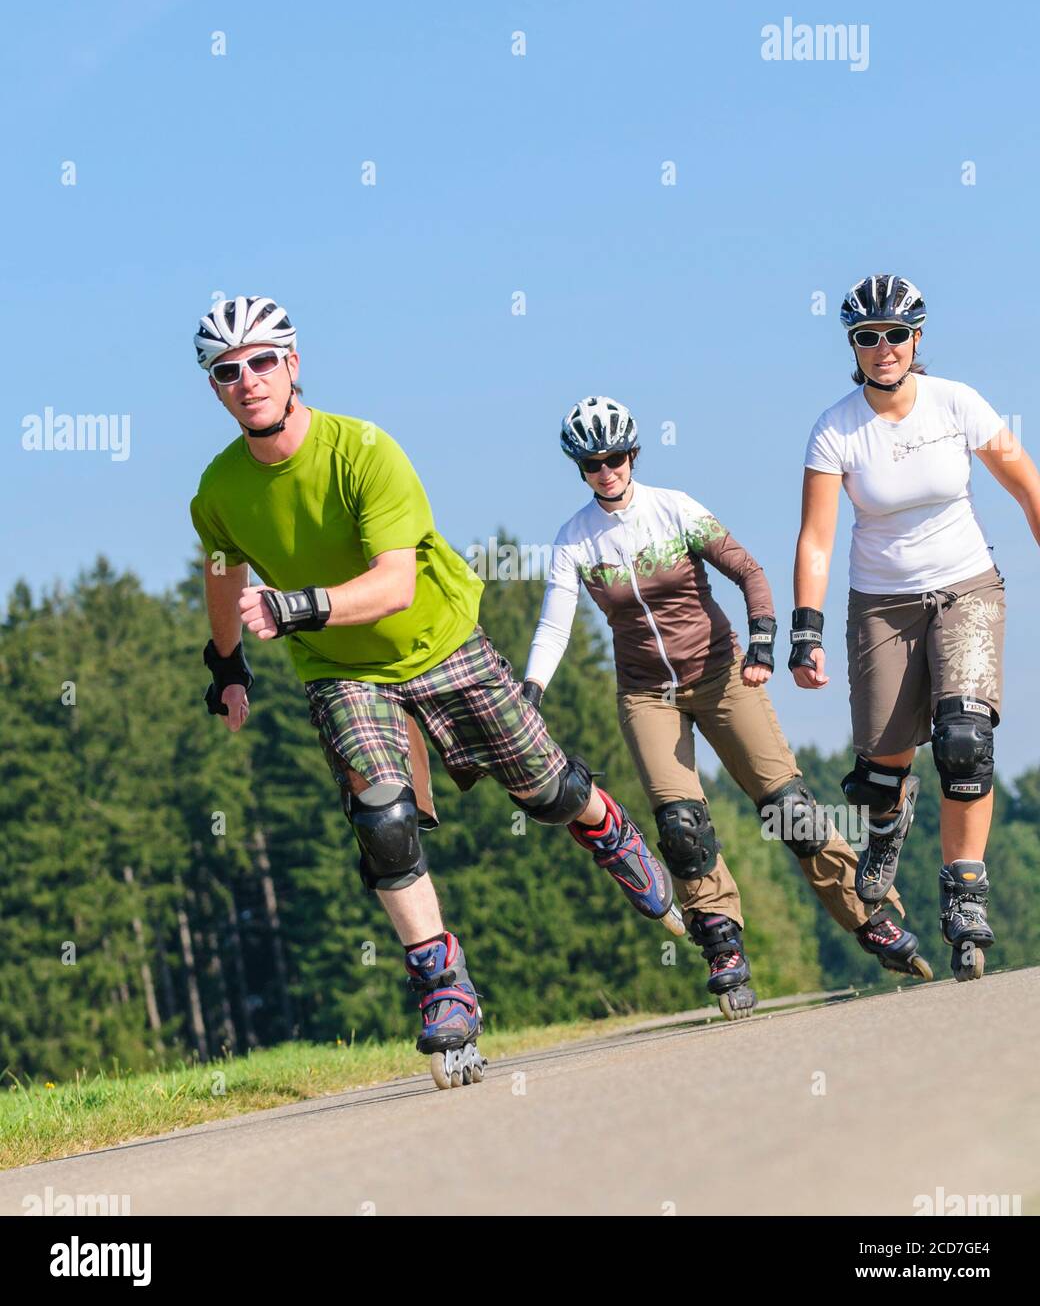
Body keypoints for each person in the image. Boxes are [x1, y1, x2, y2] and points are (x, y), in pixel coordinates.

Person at [188, 297, 681, 1088]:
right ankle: (443, 985)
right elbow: (224, 570)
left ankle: (609, 829)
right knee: (381, 818)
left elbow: (392, 584)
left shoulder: (365, 451)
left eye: (262, 361)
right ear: (213, 388)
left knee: (546, 791)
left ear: (294, 364)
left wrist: (295, 606)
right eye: (227, 370)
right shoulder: (218, 489)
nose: (247, 380)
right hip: (341, 672)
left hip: (438, 639)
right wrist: (226, 665)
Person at [522, 396, 931, 1020]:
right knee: (682, 828)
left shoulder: (675, 509)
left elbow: (747, 570)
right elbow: (555, 626)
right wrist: (530, 693)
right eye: (590, 463)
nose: (605, 471)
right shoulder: (574, 539)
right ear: (579, 468)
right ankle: (723, 948)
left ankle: (867, 915)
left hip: (720, 675)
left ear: (633, 455)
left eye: (613, 458)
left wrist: (763, 637)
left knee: (785, 809)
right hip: (645, 694)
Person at [792, 273, 1040, 979]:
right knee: (881, 770)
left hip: (966, 585)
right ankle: (886, 822)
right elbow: (816, 539)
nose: (883, 348)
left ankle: (964, 891)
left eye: (895, 335)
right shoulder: (835, 428)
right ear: (854, 346)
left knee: (965, 740)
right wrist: (806, 631)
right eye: (868, 338)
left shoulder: (956, 403)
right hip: (881, 602)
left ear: (916, 339)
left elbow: (1027, 484)